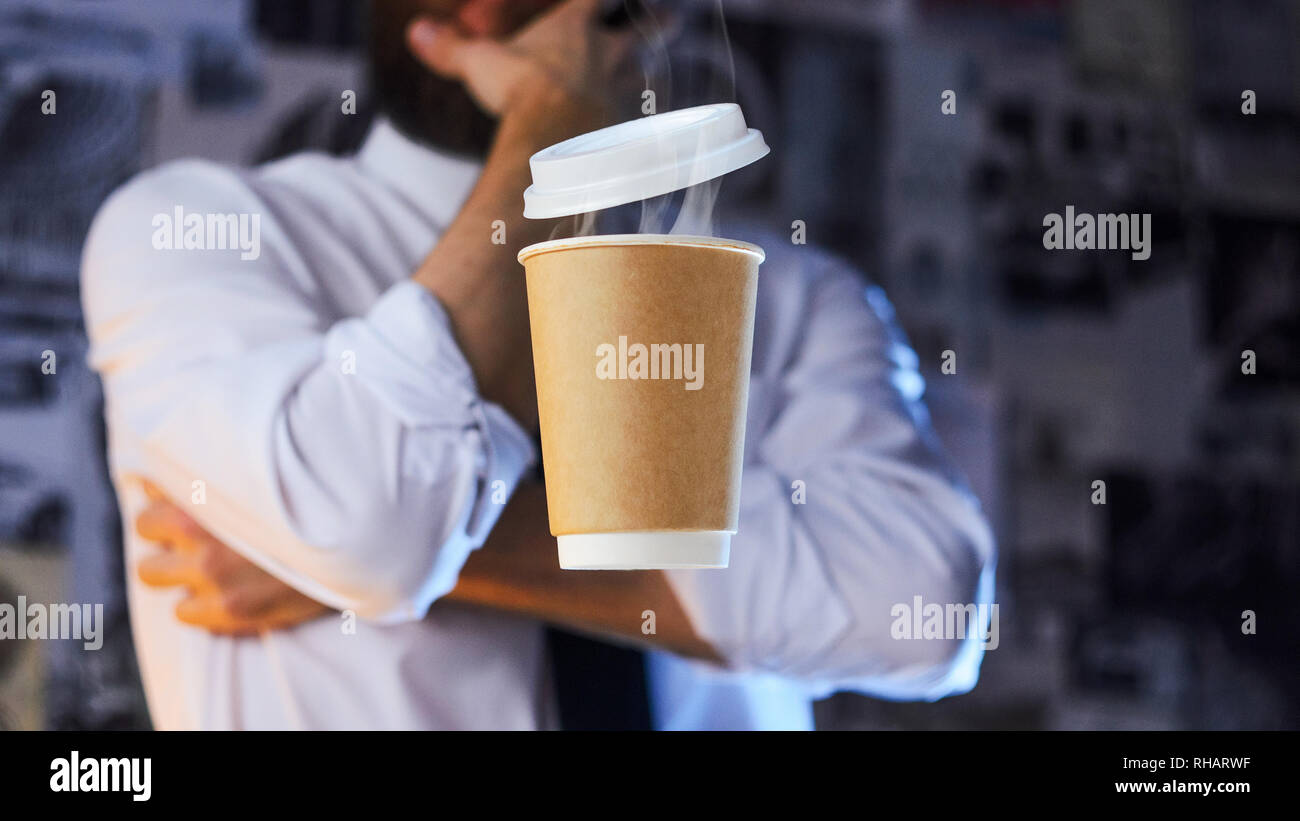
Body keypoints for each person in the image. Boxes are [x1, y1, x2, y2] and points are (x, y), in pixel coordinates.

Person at [81, 0, 995, 730]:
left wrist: (378, 546)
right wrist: (548, 144)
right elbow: (373, 526)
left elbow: (923, 610)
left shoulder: (789, 296)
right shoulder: (194, 232)